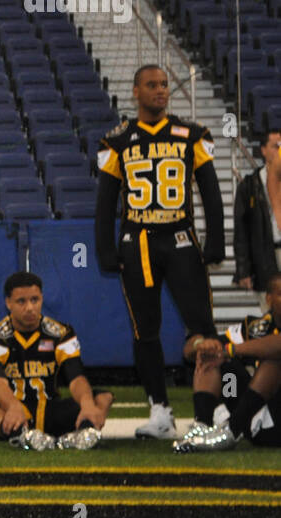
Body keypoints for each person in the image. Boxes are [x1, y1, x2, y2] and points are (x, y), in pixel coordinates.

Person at [94, 64, 224, 439]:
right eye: (152, 85)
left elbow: (211, 192)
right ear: (135, 91)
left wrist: (215, 239)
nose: (161, 91)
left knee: (201, 323)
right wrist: (105, 247)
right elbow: (105, 202)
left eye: (165, 84)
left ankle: (211, 409)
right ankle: (160, 410)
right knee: (145, 330)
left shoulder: (192, 135)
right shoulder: (116, 140)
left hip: (181, 238)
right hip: (138, 242)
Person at [0, 271, 113, 450]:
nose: (30, 308)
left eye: (35, 299)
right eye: (21, 301)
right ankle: (21, 437)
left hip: (51, 408)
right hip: (15, 411)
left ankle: (84, 434)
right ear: (8, 303)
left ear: (42, 299)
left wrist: (86, 404)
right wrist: (12, 406)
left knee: (103, 397)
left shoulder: (60, 332)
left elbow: (75, 377)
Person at [174, 273, 281, 451]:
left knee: (273, 363)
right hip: (250, 415)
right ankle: (203, 425)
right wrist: (203, 345)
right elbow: (188, 350)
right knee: (215, 358)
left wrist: (230, 350)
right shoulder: (256, 326)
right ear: (268, 299)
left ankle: (231, 430)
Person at [233, 128, 281, 312]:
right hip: (264, 255)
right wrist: (243, 270)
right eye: (276, 146)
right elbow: (241, 231)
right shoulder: (249, 186)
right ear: (263, 150)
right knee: (270, 310)